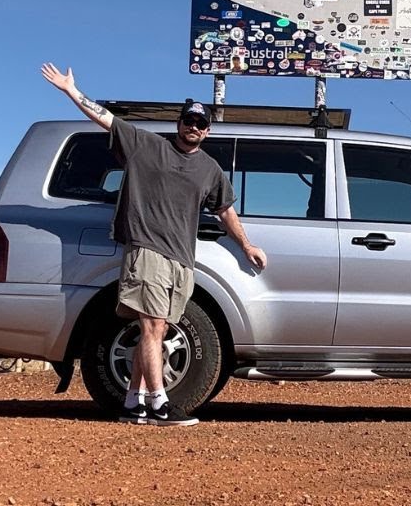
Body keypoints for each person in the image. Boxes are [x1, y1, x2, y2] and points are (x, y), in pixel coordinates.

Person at [41, 63, 268, 426]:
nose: (193, 127)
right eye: (189, 120)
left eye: (200, 123)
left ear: (207, 131)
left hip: (182, 259)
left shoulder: (209, 169)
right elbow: (106, 119)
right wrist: (72, 90)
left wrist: (247, 245)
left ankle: (134, 402)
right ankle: (160, 404)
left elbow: (225, 210)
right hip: (147, 250)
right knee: (152, 326)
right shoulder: (146, 146)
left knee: (158, 329)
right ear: (179, 123)